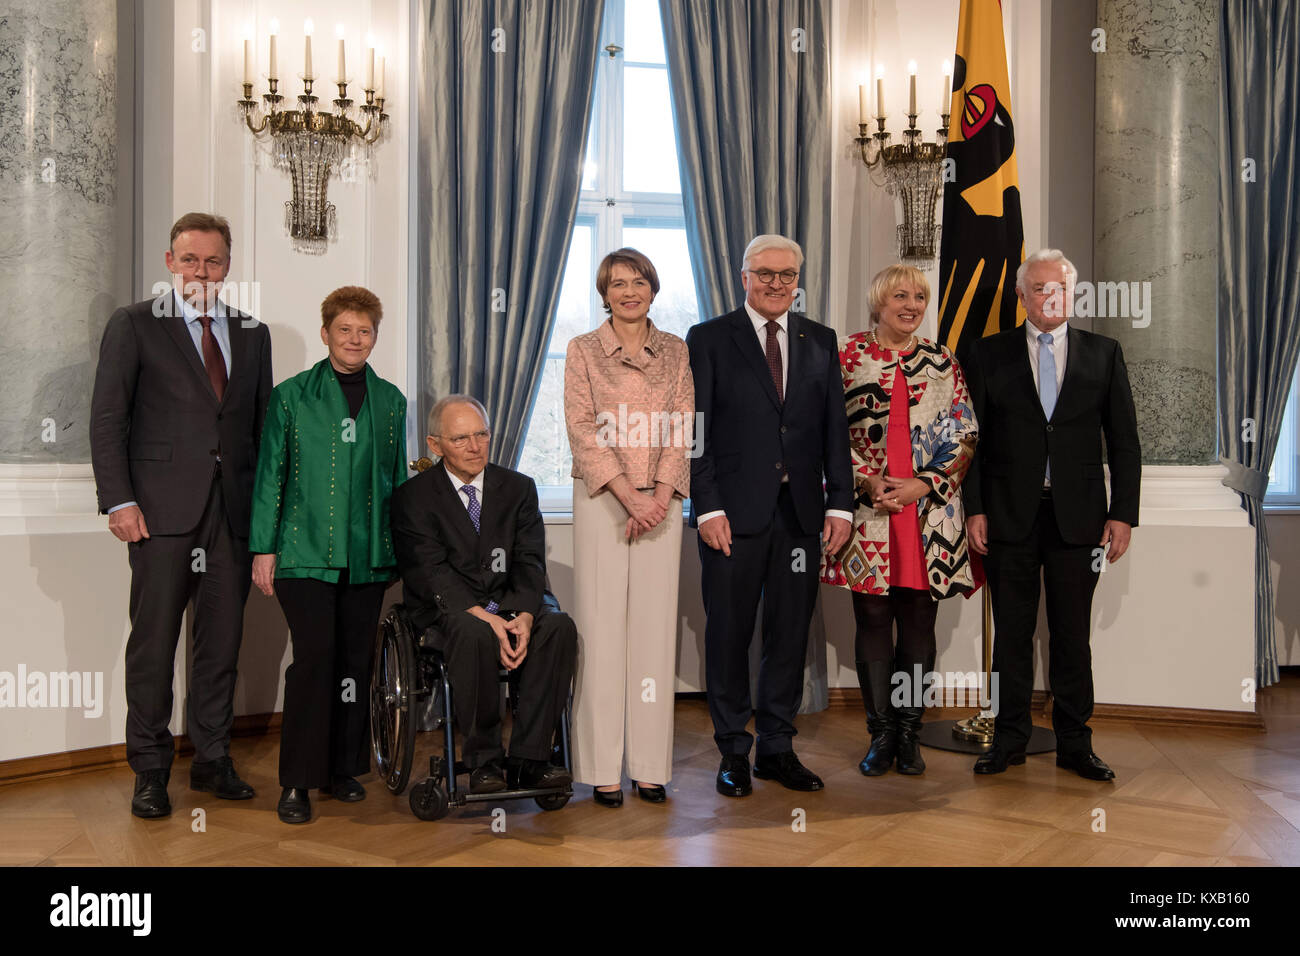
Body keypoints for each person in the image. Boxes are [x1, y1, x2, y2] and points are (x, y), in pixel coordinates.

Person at [90, 212, 273, 818]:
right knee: (153, 644)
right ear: (171, 263)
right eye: (190, 259)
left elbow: (259, 431)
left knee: (220, 646)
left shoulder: (252, 333)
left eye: (213, 261)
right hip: (159, 514)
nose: (201, 271)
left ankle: (212, 758)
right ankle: (149, 768)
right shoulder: (135, 325)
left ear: (228, 265)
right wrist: (119, 500)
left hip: (232, 516)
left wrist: (265, 521)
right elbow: (108, 419)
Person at [962, 248, 1141, 781]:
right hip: (1007, 516)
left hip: (1080, 519)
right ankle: (1008, 740)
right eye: (1038, 288)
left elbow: (1125, 442)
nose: (1049, 297)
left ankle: (1074, 743)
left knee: (1070, 635)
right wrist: (974, 509)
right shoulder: (986, 354)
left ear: (1073, 294)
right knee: (1012, 636)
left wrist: (1123, 514)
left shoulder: (1103, 353)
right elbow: (971, 441)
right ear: (1022, 296)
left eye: (1058, 288)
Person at [686, 234, 854, 797]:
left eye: (786, 275)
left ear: (797, 279)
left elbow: (835, 429)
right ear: (744, 277)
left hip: (803, 515)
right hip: (730, 516)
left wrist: (841, 505)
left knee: (789, 635)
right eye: (765, 274)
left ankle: (778, 747)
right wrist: (705, 505)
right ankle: (734, 749)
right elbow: (697, 432)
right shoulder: (708, 338)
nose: (777, 284)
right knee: (730, 634)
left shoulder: (820, 340)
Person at [248, 286, 407, 823]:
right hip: (303, 553)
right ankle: (297, 780)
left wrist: (397, 550)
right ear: (326, 334)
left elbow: (396, 481)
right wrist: (263, 547)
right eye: (345, 329)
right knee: (315, 663)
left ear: (375, 337)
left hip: (367, 558)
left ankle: (343, 770)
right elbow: (271, 475)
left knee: (354, 664)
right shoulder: (291, 396)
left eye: (365, 331)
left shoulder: (392, 402)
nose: (355, 339)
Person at [820, 265, 979, 776]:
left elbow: (965, 430)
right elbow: (825, 432)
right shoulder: (844, 355)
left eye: (919, 296)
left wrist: (924, 484)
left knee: (917, 618)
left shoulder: (941, 359)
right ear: (878, 301)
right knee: (870, 619)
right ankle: (880, 733)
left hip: (928, 512)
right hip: (867, 511)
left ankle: (909, 731)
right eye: (900, 296)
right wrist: (867, 481)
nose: (911, 304)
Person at [391, 396, 577, 794]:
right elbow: (429, 571)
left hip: (512, 598)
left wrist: (524, 614)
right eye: (461, 439)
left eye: (481, 435)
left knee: (558, 627)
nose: (475, 447)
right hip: (452, 610)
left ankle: (531, 760)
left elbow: (530, 561)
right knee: (474, 632)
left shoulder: (518, 488)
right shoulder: (414, 497)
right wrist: (485, 616)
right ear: (435, 444)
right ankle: (484, 763)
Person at [564, 248, 693, 807]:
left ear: (653, 288)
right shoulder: (583, 350)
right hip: (603, 501)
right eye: (618, 283)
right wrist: (626, 494)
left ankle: (647, 766)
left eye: (639, 280)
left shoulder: (677, 351)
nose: (629, 291)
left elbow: (684, 425)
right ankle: (600, 769)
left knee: (653, 634)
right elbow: (580, 428)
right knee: (600, 629)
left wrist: (661, 495)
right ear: (605, 292)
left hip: (662, 505)